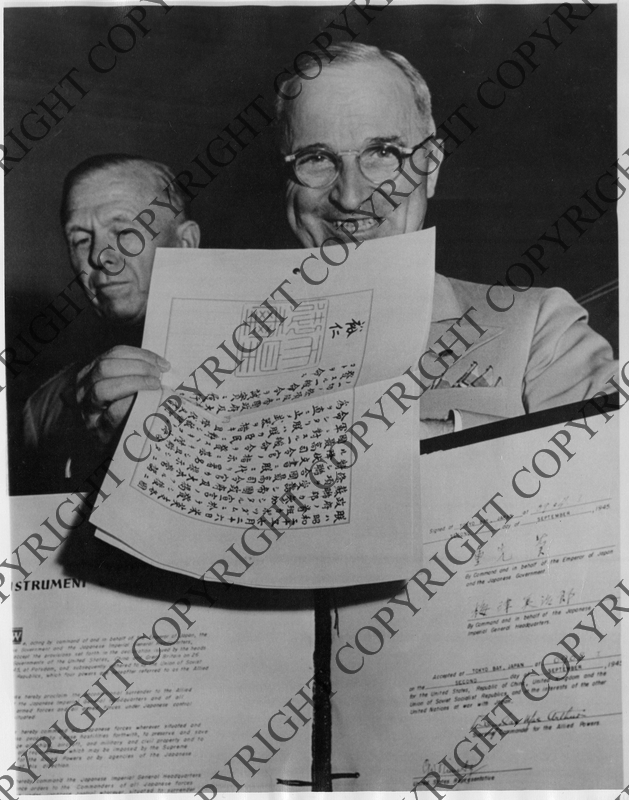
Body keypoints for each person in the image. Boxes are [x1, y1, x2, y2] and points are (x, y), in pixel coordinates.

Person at [275, 42, 617, 437]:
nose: (350, 197)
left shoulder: (539, 327)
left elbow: (609, 455)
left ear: (431, 168)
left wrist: (427, 438)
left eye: (382, 152)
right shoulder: (229, 347)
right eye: (316, 158)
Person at [22, 154, 200, 492]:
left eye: (125, 231)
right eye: (81, 239)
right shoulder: (43, 410)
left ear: (185, 245)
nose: (99, 256)